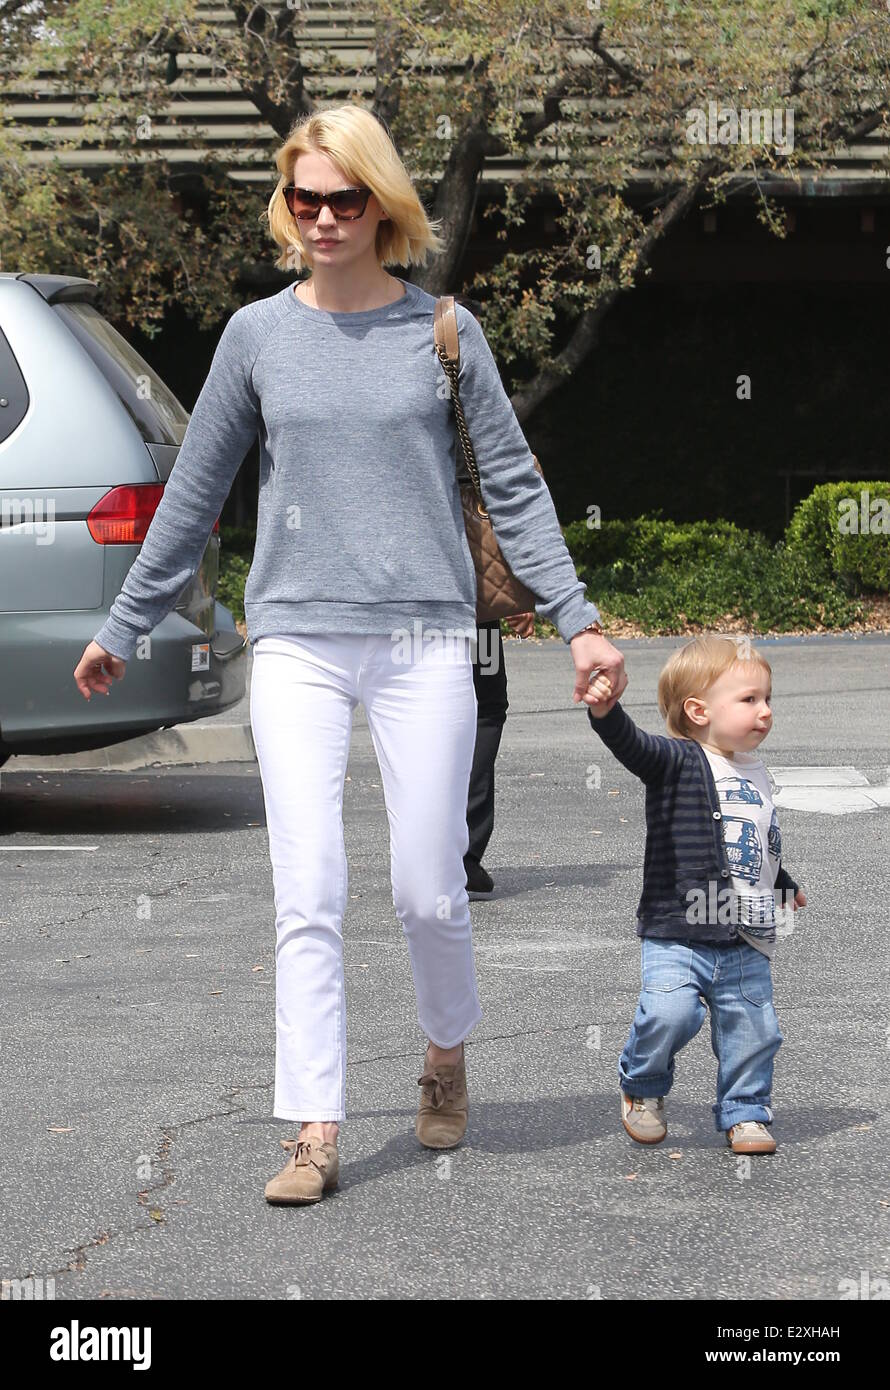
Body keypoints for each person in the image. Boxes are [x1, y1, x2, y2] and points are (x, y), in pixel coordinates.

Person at [72, 103, 626, 1205]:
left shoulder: (443, 332)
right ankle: (313, 1125)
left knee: (428, 887)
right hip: (297, 641)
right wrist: (125, 623)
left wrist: (578, 619)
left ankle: (443, 1051)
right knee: (308, 886)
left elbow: (512, 487)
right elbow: (193, 494)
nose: (321, 218)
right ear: (284, 209)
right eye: (302, 199)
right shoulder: (254, 337)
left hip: (426, 634)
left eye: (344, 198)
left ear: (383, 207)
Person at [586, 634, 807, 1154]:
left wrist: (783, 882)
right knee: (671, 1014)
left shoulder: (756, 773)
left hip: (744, 934)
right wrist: (606, 713)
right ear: (698, 710)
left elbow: (753, 846)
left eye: (767, 698)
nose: (765, 711)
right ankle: (641, 1087)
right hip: (677, 931)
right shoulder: (677, 760)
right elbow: (633, 745)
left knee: (754, 1028)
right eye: (749, 700)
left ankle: (746, 1113)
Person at [451, 293, 536, 901]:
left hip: (412, 591)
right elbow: (517, 484)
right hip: (476, 593)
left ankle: (438, 851)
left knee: (443, 712)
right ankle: (463, 854)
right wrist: (525, 586)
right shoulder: (477, 402)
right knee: (483, 708)